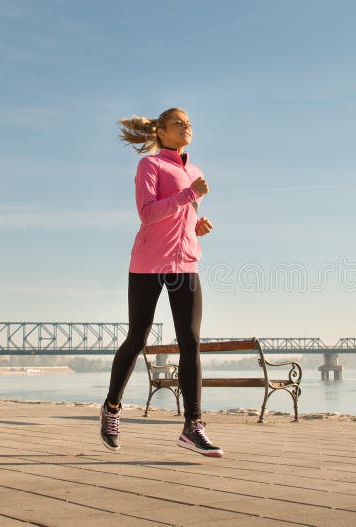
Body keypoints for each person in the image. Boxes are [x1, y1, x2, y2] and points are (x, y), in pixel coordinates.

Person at [99, 107, 222, 458]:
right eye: (179, 124)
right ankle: (111, 409)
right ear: (161, 132)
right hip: (148, 263)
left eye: (189, 124)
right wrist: (189, 195)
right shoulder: (150, 165)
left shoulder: (194, 171)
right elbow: (148, 213)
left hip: (185, 262)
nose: (187, 128)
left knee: (191, 340)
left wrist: (197, 225)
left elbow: (183, 216)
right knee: (137, 336)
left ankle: (192, 426)